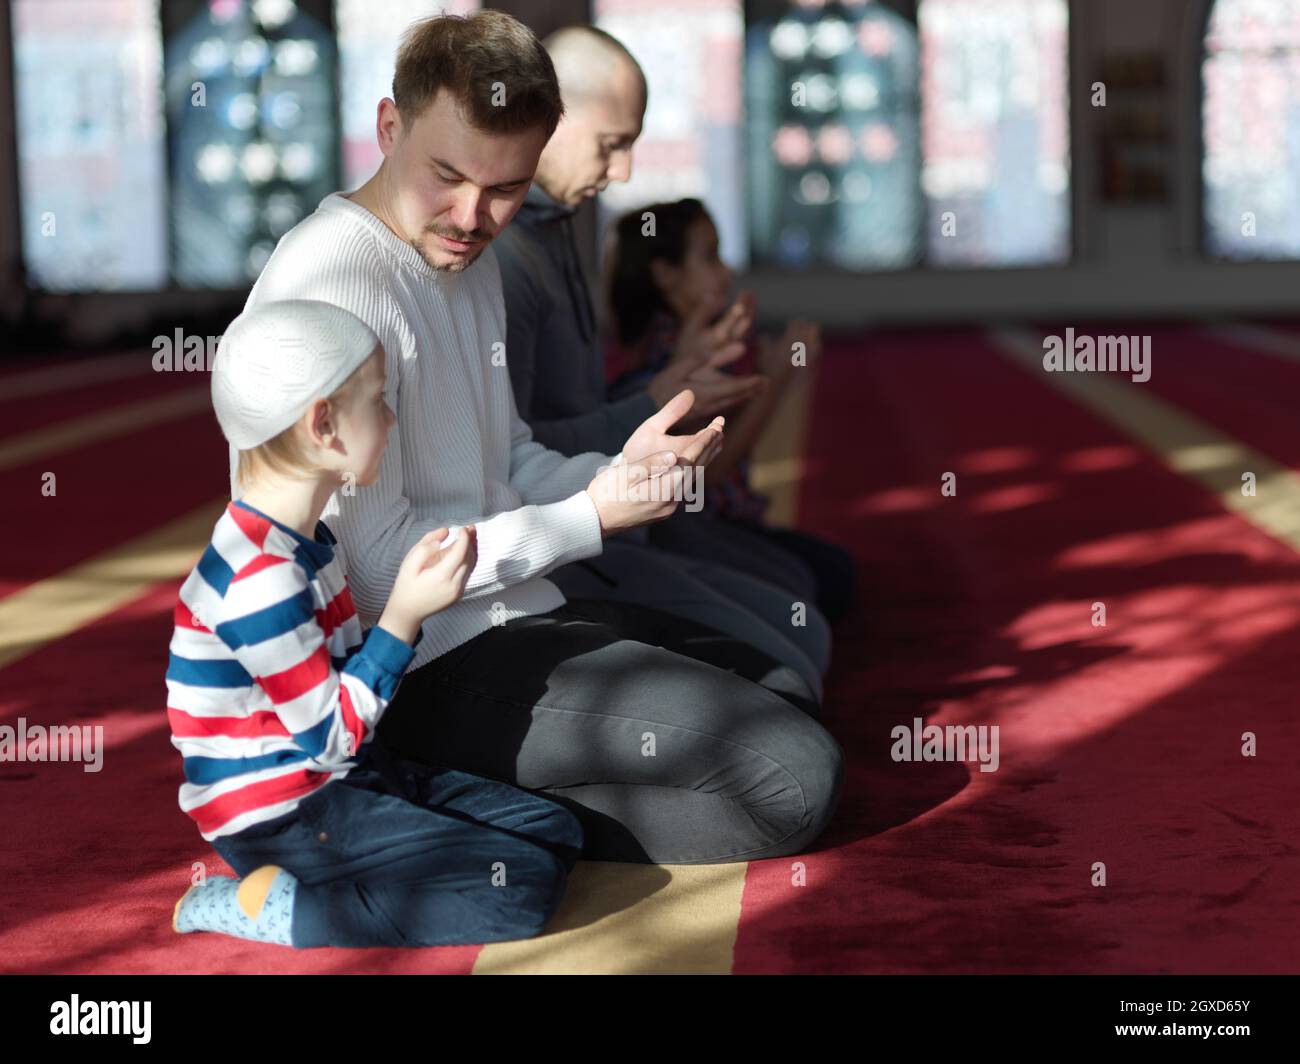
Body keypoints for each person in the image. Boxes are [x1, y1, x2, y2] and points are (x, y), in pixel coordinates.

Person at [229, 10, 844, 865]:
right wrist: (590, 516)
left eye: (506, 188)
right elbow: (375, 576)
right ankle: (417, 790)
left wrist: (621, 474)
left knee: (787, 690)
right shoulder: (331, 283)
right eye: (447, 175)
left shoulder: (467, 259)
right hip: (408, 666)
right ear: (388, 126)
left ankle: (485, 804)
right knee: (795, 784)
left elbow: (509, 457)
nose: (472, 216)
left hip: (518, 608)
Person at [168, 300, 585, 948]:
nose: (391, 420)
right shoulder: (258, 581)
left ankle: (354, 882)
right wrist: (405, 615)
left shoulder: (310, 540)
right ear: (325, 426)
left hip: (348, 778)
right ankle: (283, 911)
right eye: (380, 402)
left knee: (557, 833)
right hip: (286, 815)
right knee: (520, 886)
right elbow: (331, 736)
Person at [493, 24, 832, 699]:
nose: (622, 173)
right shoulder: (505, 256)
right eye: (611, 145)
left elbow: (576, 416)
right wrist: (653, 402)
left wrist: (673, 379)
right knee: (791, 678)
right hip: (566, 547)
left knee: (808, 625)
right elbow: (507, 458)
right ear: (547, 117)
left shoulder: (556, 230)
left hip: (614, 527)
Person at [606, 197, 858, 625]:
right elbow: (709, 473)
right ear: (666, 274)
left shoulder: (681, 337)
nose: (724, 271)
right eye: (709, 256)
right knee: (820, 585)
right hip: (696, 531)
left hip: (719, 522)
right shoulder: (669, 351)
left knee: (827, 574)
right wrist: (773, 382)